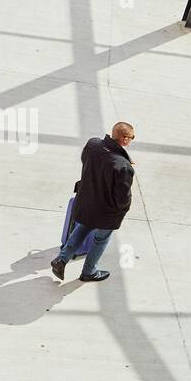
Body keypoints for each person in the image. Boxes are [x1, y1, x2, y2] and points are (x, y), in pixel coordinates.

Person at [51, 122, 136, 284]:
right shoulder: (123, 166)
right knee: (101, 239)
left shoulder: (93, 145)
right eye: (132, 137)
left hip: (87, 200)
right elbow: (122, 197)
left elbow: (85, 162)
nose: (131, 140)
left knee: (82, 228)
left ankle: (61, 260)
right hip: (105, 211)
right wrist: (121, 212)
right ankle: (89, 272)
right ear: (125, 139)